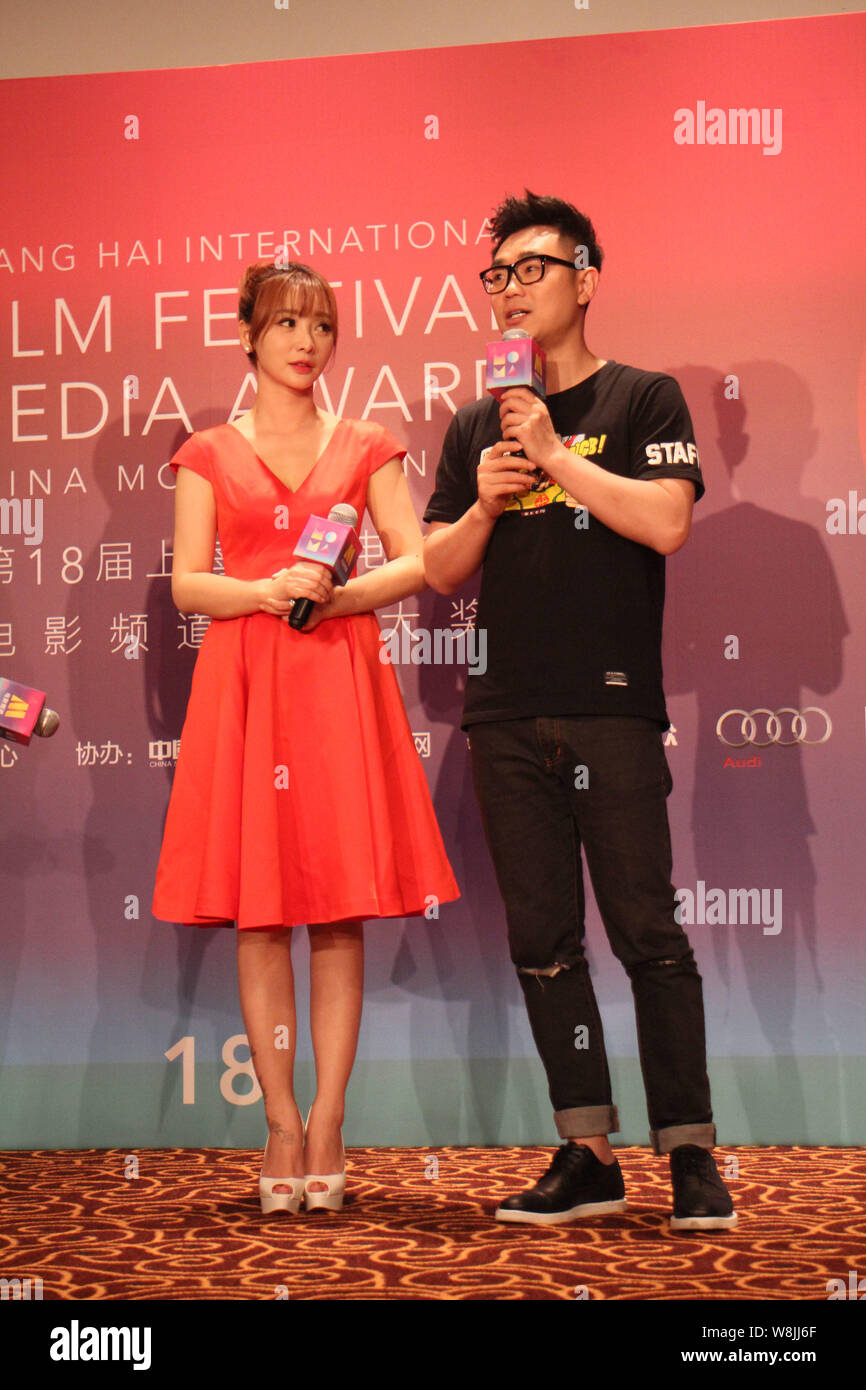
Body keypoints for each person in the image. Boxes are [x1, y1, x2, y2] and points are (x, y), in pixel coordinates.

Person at [423, 191, 735, 1230]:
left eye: (531, 268)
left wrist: (557, 458)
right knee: (543, 940)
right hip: (505, 712)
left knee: (649, 933)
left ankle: (688, 1152)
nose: (510, 288)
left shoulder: (644, 400)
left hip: (609, 710)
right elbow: (437, 568)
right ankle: (585, 1151)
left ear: (585, 278)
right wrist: (485, 497)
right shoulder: (476, 422)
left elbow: (667, 524)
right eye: (496, 273)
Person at [153, 259, 458, 1216]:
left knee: (336, 907)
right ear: (248, 334)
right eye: (286, 324)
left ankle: (329, 1119)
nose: (304, 343)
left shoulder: (368, 443)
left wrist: (336, 597)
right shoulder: (206, 451)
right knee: (261, 910)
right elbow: (187, 585)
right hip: (246, 683)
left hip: (335, 683)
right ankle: (279, 1121)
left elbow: (416, 562)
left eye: (320, 327)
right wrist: (267, 591)